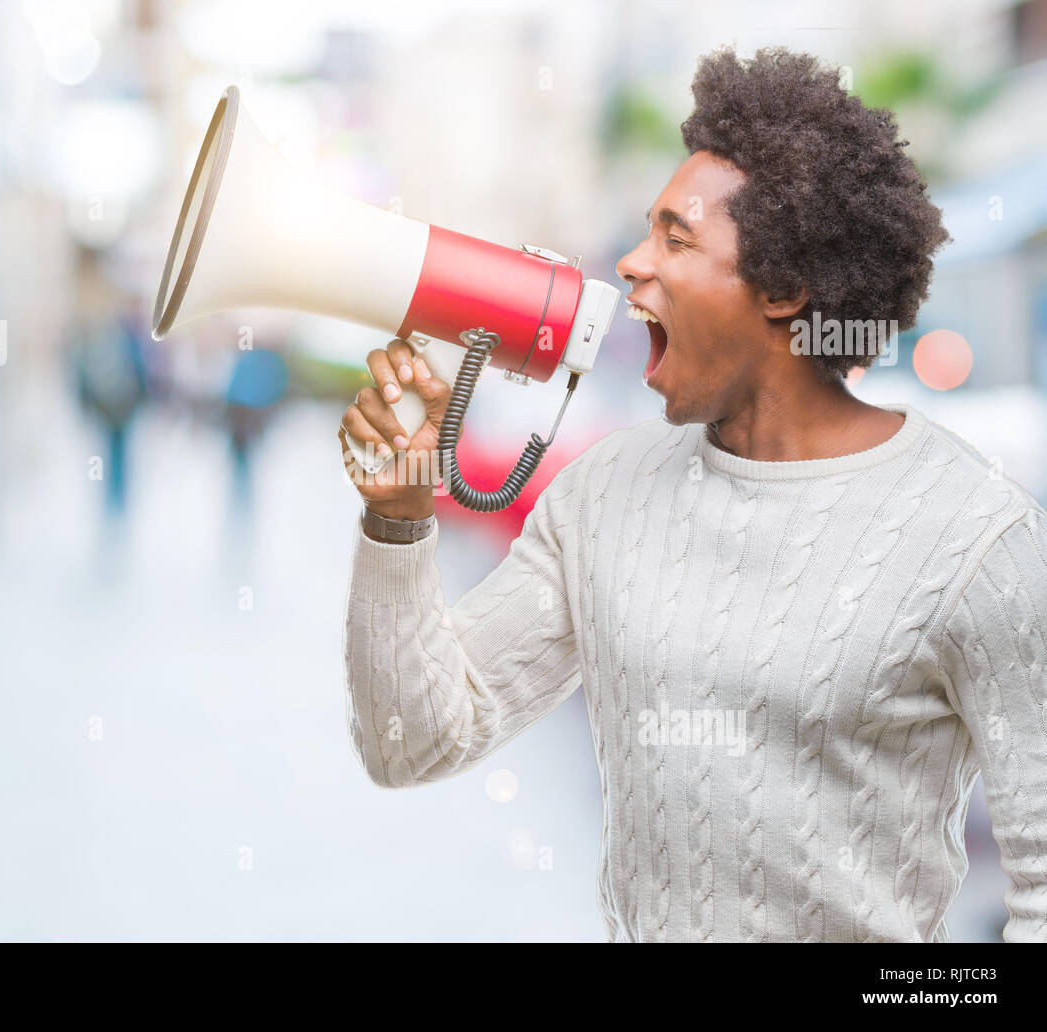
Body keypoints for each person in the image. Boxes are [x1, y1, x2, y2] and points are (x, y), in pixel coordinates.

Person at [336, 46, 1047, 943]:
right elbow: (412, 742)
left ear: (786, 290)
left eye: (677, 238)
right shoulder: (602, 496)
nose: (630, 263)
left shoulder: (978, 537)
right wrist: (396, 522)